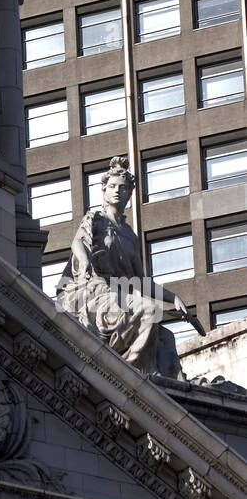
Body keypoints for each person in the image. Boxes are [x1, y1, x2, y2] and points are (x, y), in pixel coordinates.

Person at [56, 156, 202, 378]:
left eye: (122, 188)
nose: (117, 191)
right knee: (149, 311)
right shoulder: (95, 219)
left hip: (121, 294)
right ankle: (128, 374)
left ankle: (155, 381)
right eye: (112, 186)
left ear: (129, 194)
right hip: (97, 292)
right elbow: (78, 242)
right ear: (104, 190)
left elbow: (141, 281)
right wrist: (85, 260)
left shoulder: (130, 236)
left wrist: (172, 298)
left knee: (165, 339)